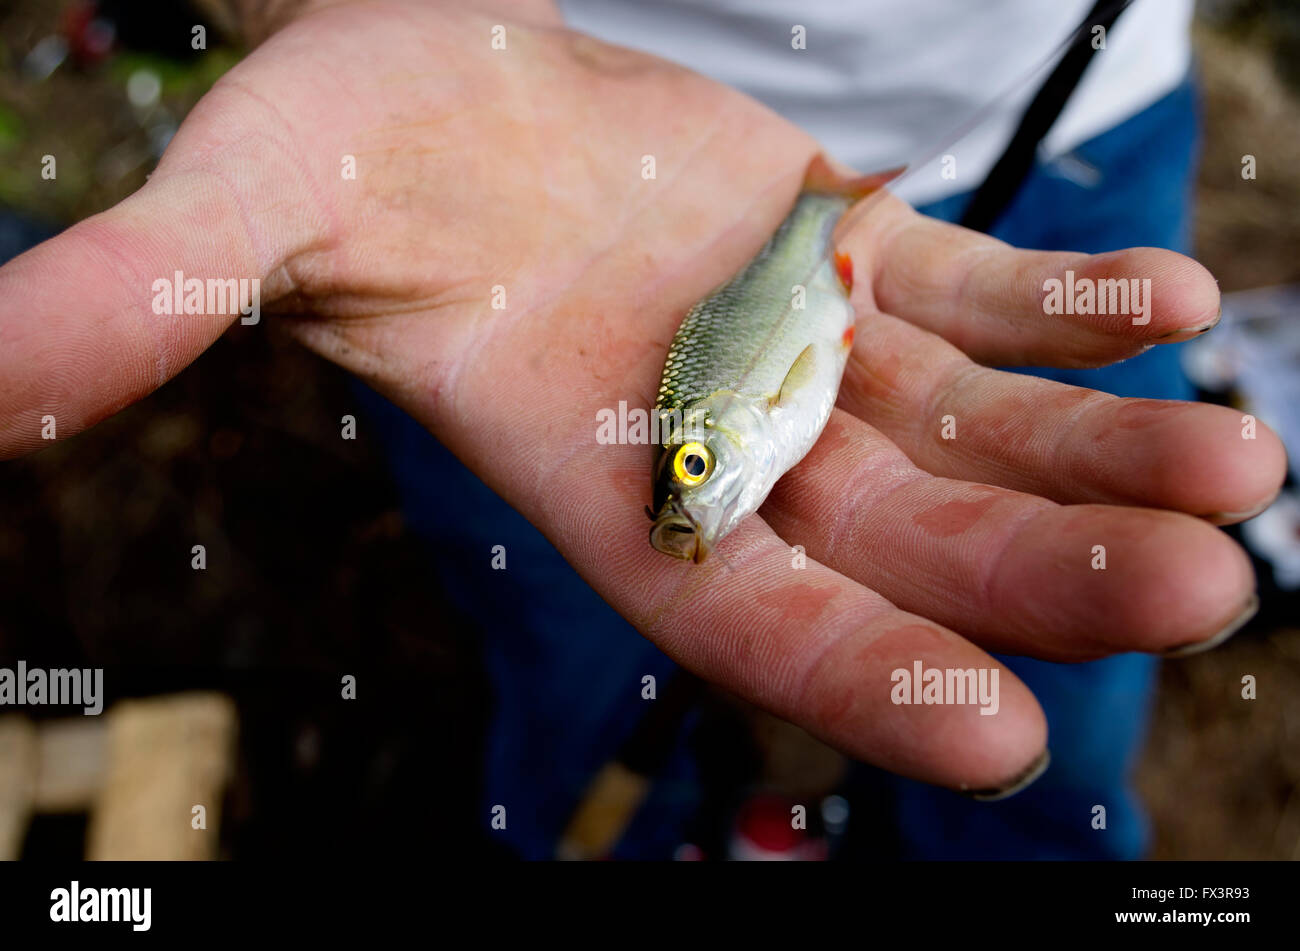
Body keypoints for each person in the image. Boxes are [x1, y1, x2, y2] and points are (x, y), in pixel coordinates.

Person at [0, 0, 1284, 858]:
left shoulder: (740, 405)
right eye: (688, 472)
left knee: (1069, 674)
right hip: (536, 164)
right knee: (572, 659)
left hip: (1081, 115)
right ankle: (652, 826)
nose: (689, 496)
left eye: (689, 472)